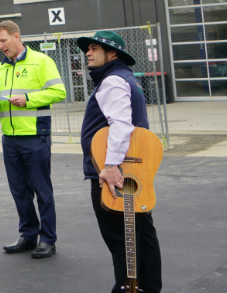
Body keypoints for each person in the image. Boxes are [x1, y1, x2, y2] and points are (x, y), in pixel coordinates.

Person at [79, 31, 161, 293]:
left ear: (112, 53)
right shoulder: (127, 78)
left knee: (121, 238)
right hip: (132, 170)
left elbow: (122, 125)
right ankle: (148, 287)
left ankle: (129, 288)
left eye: (94, 48)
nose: (87, 53)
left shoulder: (113, 81)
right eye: (87, 49)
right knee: (141, 234)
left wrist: (112, 165)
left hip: (116, 173)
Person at [0, 20, 66, 259]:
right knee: (19, 191)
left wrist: (27, 99)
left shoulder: (42, 61)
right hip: (10, 138)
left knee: (42, 190)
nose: (0, 46)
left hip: (34, 137)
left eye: (4, 40)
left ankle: (48, 239)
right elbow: (0, 98)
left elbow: (59, 92)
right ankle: (28, 235)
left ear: (17, 36)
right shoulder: (2, 67)